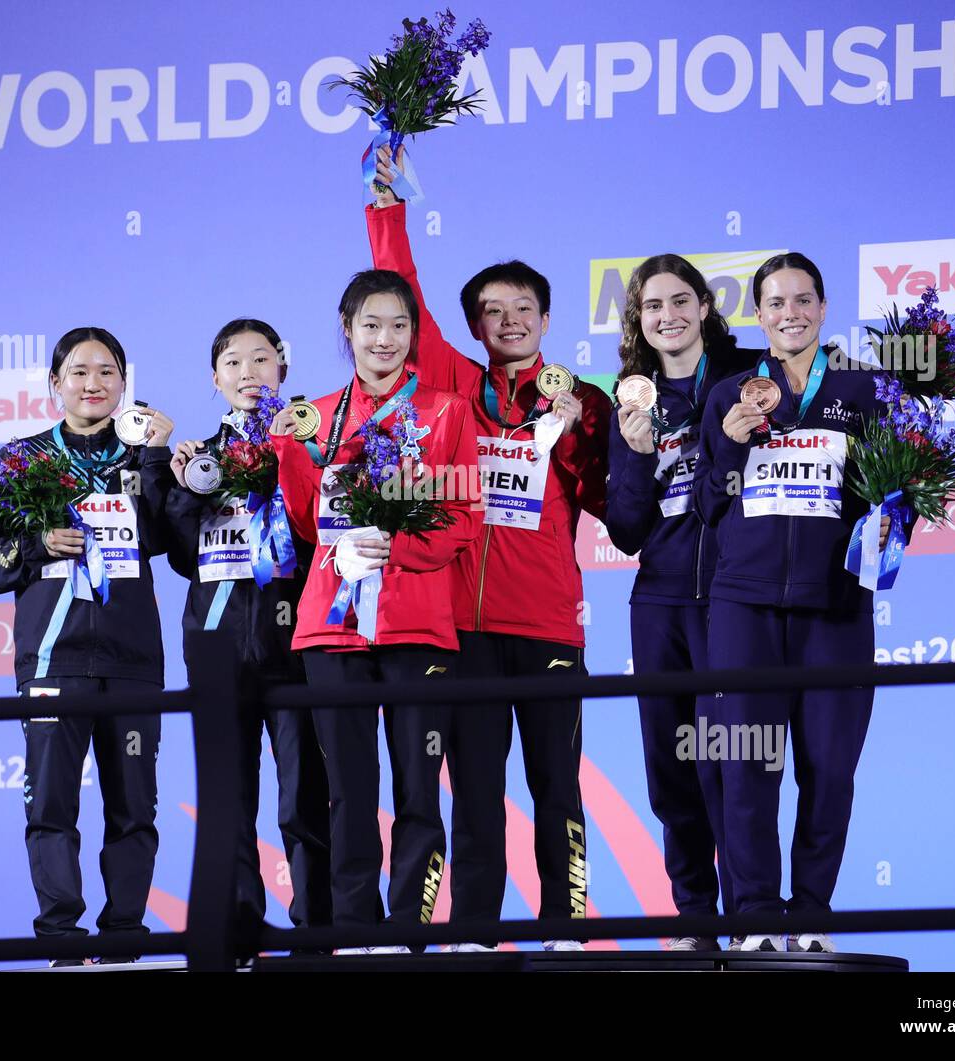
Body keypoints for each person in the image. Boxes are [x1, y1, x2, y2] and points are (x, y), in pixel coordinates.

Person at [366, 149, 611, 949]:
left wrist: (582, 431)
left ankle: (566, 926)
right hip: (461, 629)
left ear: (545, 318)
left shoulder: (584, 398)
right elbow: (403, 298)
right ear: (475, 326)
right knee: (473, 787)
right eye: (493, 312)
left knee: (556, 788)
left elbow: (610, 499)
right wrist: (386, 209)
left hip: (545, 625)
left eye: (524, 309)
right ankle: (473, 930)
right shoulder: (449, 390)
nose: (509, 321)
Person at [692, 253, 900, 953]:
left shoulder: (864, 391)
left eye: (803, 299)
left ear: (824, 305)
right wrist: (727, 444)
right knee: (745, 764)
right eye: (776, 302)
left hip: (834, 606)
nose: (791, 313)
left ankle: (811, 912)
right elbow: (704, 503)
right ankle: (752, 914)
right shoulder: (729, 393)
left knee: (829, 764)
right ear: (758, 314)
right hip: (743, 607)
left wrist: (898, 518)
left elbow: (891, 493)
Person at [268, 269, 481, 952]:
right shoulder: (319, 415)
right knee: (347, 790)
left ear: (414, 333)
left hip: (419, 623)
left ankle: (409, 928)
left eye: (398, 325)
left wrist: (400, 548)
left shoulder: (446, 412)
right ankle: (357, 931)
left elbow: (466, 518)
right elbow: (306, 522)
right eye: (371, 325)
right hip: (330, 626)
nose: (384, 339)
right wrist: (286, 449)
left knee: (420, 787)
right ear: (347, 329)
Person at [0, 326, 175, 964]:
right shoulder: (23, 460)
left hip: (132, 659)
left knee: (134, 806)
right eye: (79, 372)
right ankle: (61, 939)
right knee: (51, 806)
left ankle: (123, 940)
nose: (93, 384)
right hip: (51, 658)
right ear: (56, 383)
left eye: (107, 372)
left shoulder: (143, 453)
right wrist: (36, 546)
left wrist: (159, 459)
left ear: (123, 383)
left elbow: (170, 539)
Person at [604, 254, 761, 951]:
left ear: (704, 306)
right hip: (660, 600)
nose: (666, 315)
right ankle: (695, 919)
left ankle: (751, 919)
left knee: (731, 763)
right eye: (650, 306)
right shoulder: (631, 400)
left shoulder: (744, 380)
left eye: (678, 300)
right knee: (672, 769)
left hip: (733, 594)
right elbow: (626, 530)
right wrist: (636, 456)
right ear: (639, 321)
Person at [163, 319, 331, 943]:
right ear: (215, 378)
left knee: (304, 796)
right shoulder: (198, 458)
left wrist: (294, 464)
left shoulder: (313, 445)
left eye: (262, 360)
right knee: (229, 799)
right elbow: (183, 555)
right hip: (218, 642)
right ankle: (236, 927)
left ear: (283, 372)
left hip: (298, 640)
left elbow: (323, 531)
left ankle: (318, 928)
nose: (249, 373)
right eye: (234, 362)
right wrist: (182, 491)